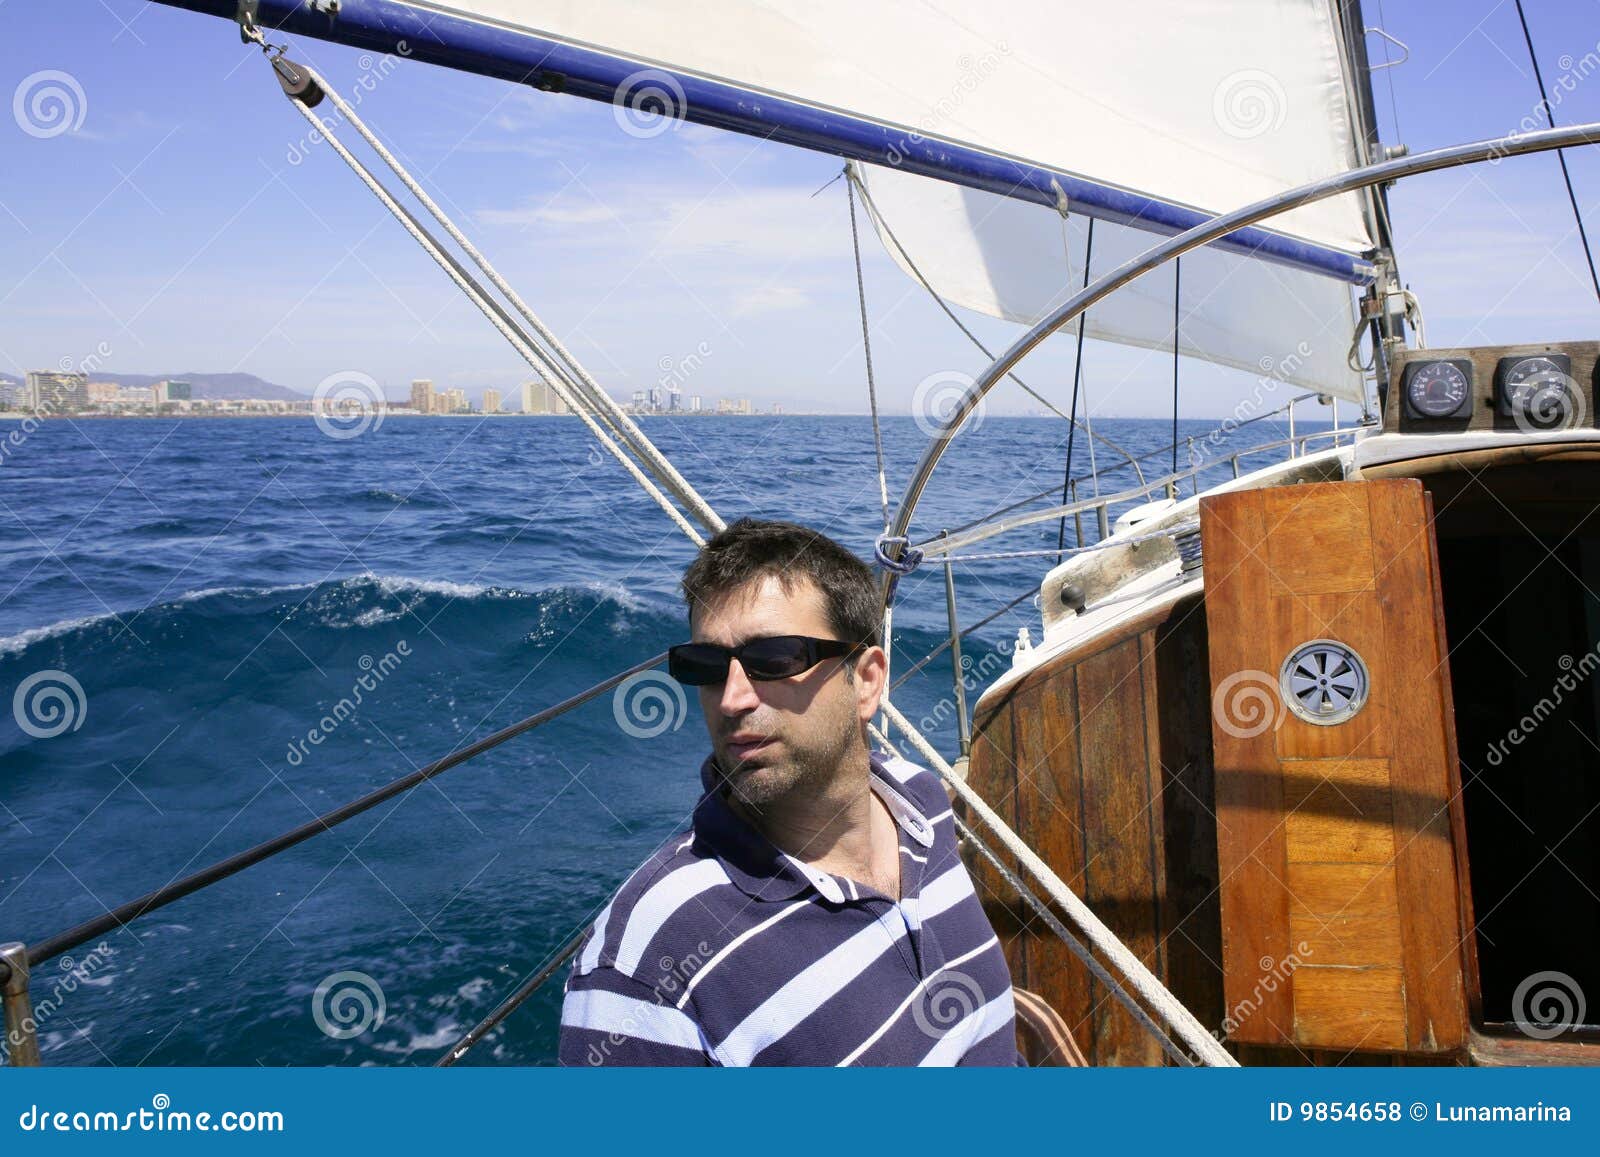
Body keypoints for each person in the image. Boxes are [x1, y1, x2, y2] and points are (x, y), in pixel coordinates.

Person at [559, 517, 1017, 1065]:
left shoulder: (923, 804)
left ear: (866, 680)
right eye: (705, 666)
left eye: (773, 659)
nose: (731, 699)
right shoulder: (647, 964)